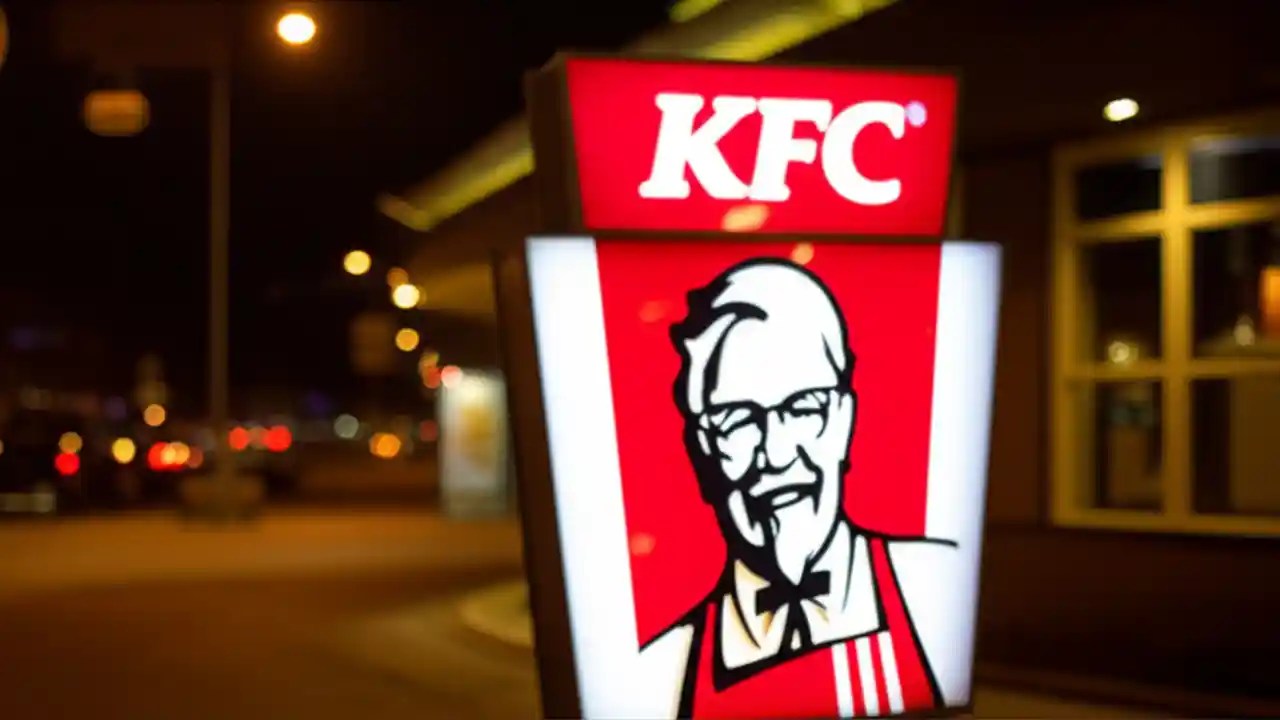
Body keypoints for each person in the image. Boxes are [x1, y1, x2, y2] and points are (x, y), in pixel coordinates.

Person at [639, 258, 958, 719]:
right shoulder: (660, 672)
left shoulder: (934, 588)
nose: (777, 452)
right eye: (739, 420)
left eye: (803, 408)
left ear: (845, 421)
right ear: (704, 450)